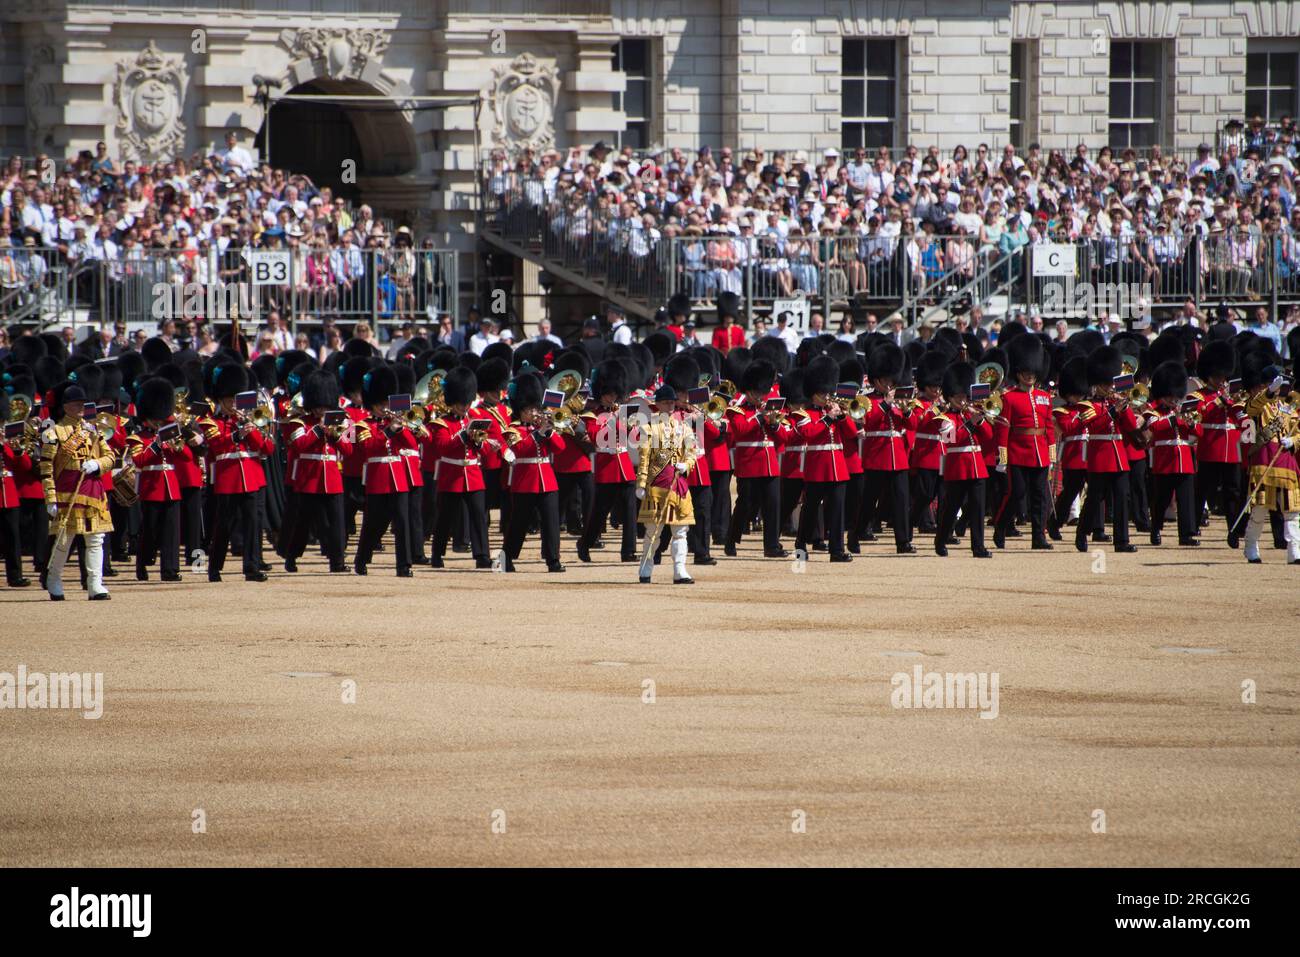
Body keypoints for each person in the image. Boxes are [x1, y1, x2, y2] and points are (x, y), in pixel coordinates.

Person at [39, 382, 115, 600]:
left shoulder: (93, 430)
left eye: (83, 403)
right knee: (64, 540)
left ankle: (95, 584)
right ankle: (53, 579)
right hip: (67, 493)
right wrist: (50, 498)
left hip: (92, 490)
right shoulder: (54, 433)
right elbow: (46, 468)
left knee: (95, 539)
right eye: (76, 403)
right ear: (66, 406)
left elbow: (110, 457)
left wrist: (97, 464)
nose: (81, 407)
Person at [199, 363, 272, 582]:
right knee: (224, 525)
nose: (233, 404)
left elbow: (267, 448)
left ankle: (251, 567)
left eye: (235, 399)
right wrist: (237, 434)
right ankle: (214, 567)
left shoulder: (253, 417)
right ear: (220, 400)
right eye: (229, 400)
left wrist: (249, 428)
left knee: (252, 525)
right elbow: (216, 446)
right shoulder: (211, 422)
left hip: (252, 477)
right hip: (228, 478)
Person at [280, 370, 351, 573]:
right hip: (309, 478)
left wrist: (335, 436)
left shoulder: (340, 420)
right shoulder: (299, 421)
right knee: (303, 523)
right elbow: (299, 445)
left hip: (332, 478)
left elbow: (348, 450)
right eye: (318, 406)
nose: (321, 410)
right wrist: (319, 430)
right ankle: (291, 556)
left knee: (337, 523)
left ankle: (337, 562)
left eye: (325, 406)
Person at [991, 335, 1056, 550]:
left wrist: (1051, 453)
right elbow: (1003, 427)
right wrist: (1002, 456)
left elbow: (1048, 426)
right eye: (1026, 372)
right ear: (1018, 373)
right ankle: (1000, 525)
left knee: (1040, 497)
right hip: (1017, 451)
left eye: (1032, 372)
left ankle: (1039, 536)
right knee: (1015, 493)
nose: (1029, 376)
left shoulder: (1044, 396)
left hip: (1039, 452)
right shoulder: (1008, 397)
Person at [125, 376, 193, 581]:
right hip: (151, 487)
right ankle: (143, 563)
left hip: (171, 486)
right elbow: (139, 460)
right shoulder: (138, 437)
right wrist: (156, 444)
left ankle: (170, 570)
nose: (158, 422)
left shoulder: (170, 433)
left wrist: (177, 443)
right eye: (155, 419)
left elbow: (188, 457)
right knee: (150, 531)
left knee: (172, 532)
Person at [1074, 346, 1140, 553]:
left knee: (1122, 497)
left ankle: (1121, 540)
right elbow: (1093, 426)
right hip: (1100, 455)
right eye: (1105, 384)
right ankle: (1082, 531)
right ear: (1097, 384)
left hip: (1119, 455)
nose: (1109, 387)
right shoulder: (1086, 405)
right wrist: (1113, 411)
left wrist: (1125, 408)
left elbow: (1131, 427)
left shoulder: (1116, 402)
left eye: (1110, 383)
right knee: (1094, 498)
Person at [634, 385, 702, 584]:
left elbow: (692, 453)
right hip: (656, 485)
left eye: (672, 402)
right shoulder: (648, 428)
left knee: (680, 532)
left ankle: (680, 570)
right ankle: (645, 569)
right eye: (666, 402)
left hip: (677, 484)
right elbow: (645, 458)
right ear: (657, 404)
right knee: (653, 532)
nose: (670, 406)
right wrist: (641, 483)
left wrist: (686, 464)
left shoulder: (684, 428)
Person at [351, 366, 415, 577]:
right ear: (371, 405)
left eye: (385, 403)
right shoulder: (362, 426)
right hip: (378, 477)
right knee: (373, 524)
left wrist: (403, 427)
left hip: (398, 477)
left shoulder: (395, 423)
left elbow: (412, 444)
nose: (384, 407)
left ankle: (403, 565)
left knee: (402, 521)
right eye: (379, 404)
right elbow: (368, 449)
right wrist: (389, 431)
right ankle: (362, 558)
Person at [499, 372, 566, 573]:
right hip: (525, 481)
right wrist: (538, 433)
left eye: (535, 408)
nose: (534, 412)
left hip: (547, 479)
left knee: (551, 523)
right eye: (529, 409)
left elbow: (560, 448)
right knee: (519, 523)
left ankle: (553, 559)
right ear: (520, 410)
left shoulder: (542, 428)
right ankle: (507, 557)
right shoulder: (512, 429)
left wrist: (549, 431)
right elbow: (520, 450)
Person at [854, 344, 918, 554]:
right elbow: (867, 421)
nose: (889, 385)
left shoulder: (899, 399)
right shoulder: (867, 400)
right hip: (877, 456)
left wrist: (907, 411)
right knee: (868, 502)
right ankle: (855, 536)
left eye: (892, 381)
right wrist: (886, 405)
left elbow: (911, 425)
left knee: (900, 500)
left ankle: (903, 542)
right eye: (885, 381)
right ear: (875, 380)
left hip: (897, 456)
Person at [794, 355, 858, 562]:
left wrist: (841, 417)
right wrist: (827, 418)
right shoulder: (804, 414)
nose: (827, 396)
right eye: (823, 393)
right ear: (813, 394)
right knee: (811, 509)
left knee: (837, 510)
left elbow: (851, 434)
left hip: (837, 466)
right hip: (817, 466)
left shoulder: (834, 411)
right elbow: (809, 434)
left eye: (828, 392)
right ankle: (801, 543)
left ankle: (837, 550)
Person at [724, 359, 789, 557]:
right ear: (750, 390)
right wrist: (760, 417)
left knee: (772, 505)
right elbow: (741, 431)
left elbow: (784, 437)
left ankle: (771, 546)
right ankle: (731, 539)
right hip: (749, 463)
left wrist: (774, 423)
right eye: (758, 393)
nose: (761, 396)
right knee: (745, 505)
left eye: (763, 392)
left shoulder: (771, 405)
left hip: (769, 462)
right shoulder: (737, 407)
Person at [428, 367, 492, 569]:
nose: (464, 407)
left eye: (466, 403)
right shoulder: (441, 423)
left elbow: (484, 450)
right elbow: (442, 447)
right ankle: (437, 553)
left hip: (472, 474)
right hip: (452, 476)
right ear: (452, 402)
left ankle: (482, 555)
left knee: (479, 517)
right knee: (445, 519)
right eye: (460, 403)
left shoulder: (474, 418)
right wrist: (464, 436)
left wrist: (481, 443)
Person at [1240, 352, 1300, 564]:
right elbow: (1250, 408)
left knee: (1292, 509)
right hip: (1265, 458)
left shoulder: (1289, 407)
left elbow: (1297, 431)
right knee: (1259, 508)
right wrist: (1269, 393)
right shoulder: (1260, 403)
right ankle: (1251, 548)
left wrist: (1294, 441)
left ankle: (1295, 552)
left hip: (1285, 459)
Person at [576, 360, 638, 564]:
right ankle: (585, 543)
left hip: (625, 466)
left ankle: (628, 551)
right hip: (606, 468)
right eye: (609, 394)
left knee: (630, 511)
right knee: (599, 513)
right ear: (601, 393)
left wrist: (631, 425)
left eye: (615, 394)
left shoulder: (621, 411)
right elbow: (596, 436)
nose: (612, 397)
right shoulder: (592, 415)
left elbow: (633, 437)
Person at [931, 362, 994, 558]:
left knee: (977, 509)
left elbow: (989, 437)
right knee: (951, 509)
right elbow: (950, 440)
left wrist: (981, 421)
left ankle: (978, 547)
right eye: (958, 397)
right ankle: (941, 539)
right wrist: (969, 424)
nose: (962, 400)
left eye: (964, 396)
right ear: (950, 397)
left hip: (977, 466)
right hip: (957, 467)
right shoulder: (944, 417)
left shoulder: (971, 413)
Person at [1143, 361, 1202, 547]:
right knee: (1162, 499)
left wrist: (1191, 424)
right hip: (1165, 460)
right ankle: (1156, 528)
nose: (1172, 400)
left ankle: (1187, 534)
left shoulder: (1184, 410)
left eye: (1174, 396)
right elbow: (1155, 427)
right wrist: (1174, 419)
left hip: (1184, 458)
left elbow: (1199, 433)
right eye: (1168, 396)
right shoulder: (1151, 409)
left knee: (1186, 498)